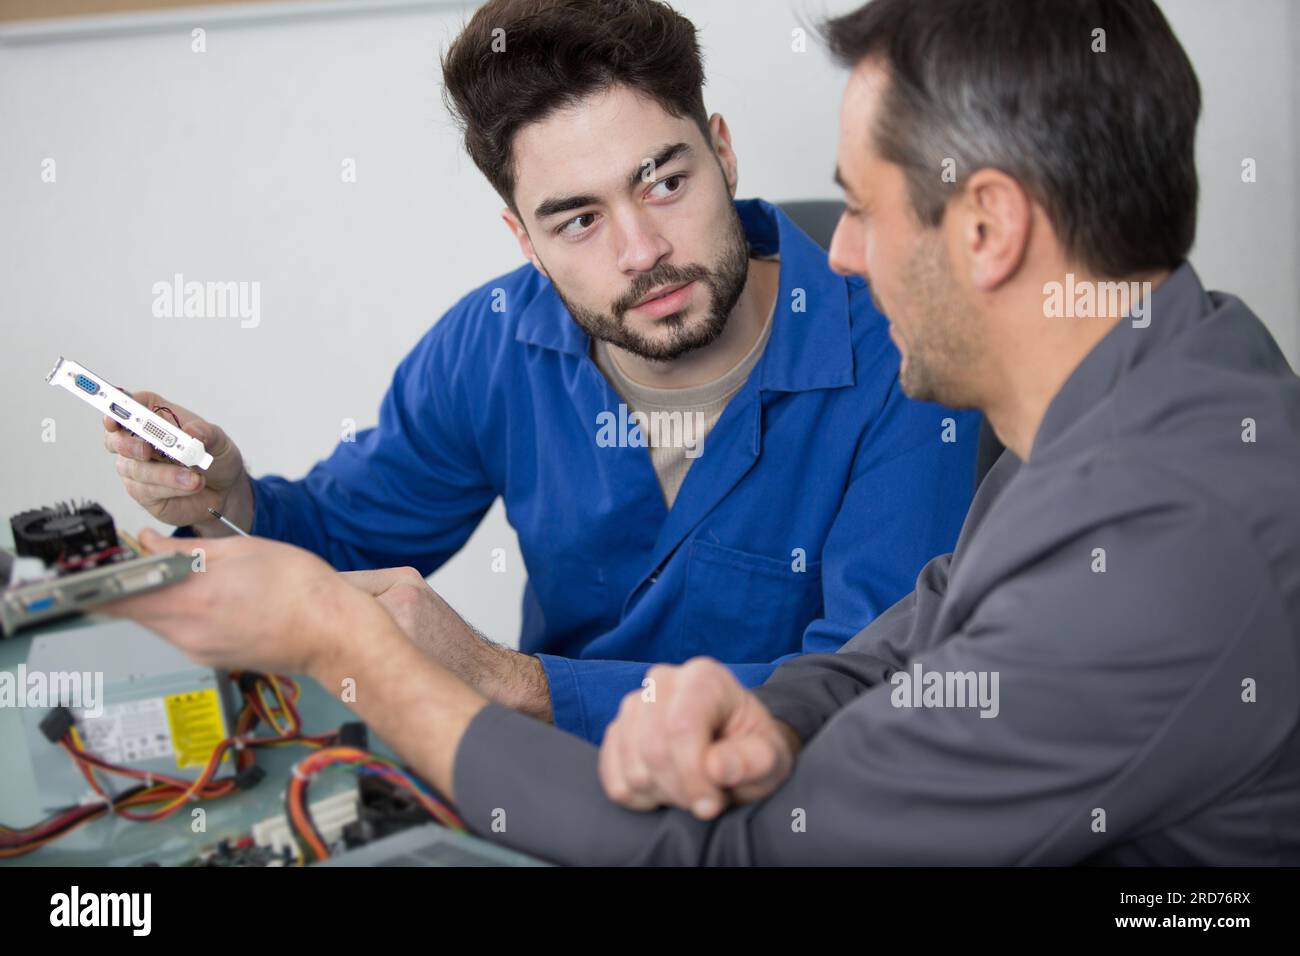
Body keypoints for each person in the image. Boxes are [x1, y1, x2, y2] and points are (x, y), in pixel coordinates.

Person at [107, 0, 1300, 865]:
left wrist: (350, 646)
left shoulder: (1150, 540)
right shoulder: (1133, 394)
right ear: (523, 236)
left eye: (867, 208)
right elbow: (915, 630)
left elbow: (742, 853)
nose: (841, 244)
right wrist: (772, 711)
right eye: (577, 216)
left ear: (985, 226)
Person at [102, 0, 976, 744]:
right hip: (553, 794)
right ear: (525, 238)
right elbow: (342, 539)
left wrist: (510, 683)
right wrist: (227, 498)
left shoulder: (908, 355)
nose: (644, 253)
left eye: (665, 183)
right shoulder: (491, 343)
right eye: (578, 221)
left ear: (722, 152)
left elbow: (874, 693)